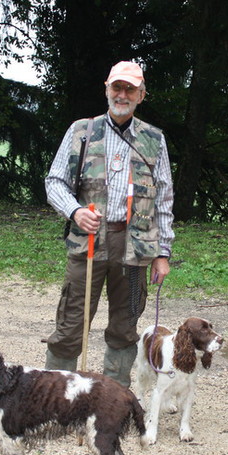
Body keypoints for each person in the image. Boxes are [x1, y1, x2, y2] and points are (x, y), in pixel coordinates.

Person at [45, 60, 174, 387]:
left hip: (133, 248)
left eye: (130, 88)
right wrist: (75, 211)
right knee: (70, 324)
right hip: (88, 241)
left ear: (141, 95)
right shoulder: (81, 132)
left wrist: (162, 253)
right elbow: (55, 181)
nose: (122, 94)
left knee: (124, 326)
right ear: (106, 88)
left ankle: (113, 394)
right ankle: (58, 393)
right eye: (117, 87)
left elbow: (164, 200)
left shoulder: (154, 140)